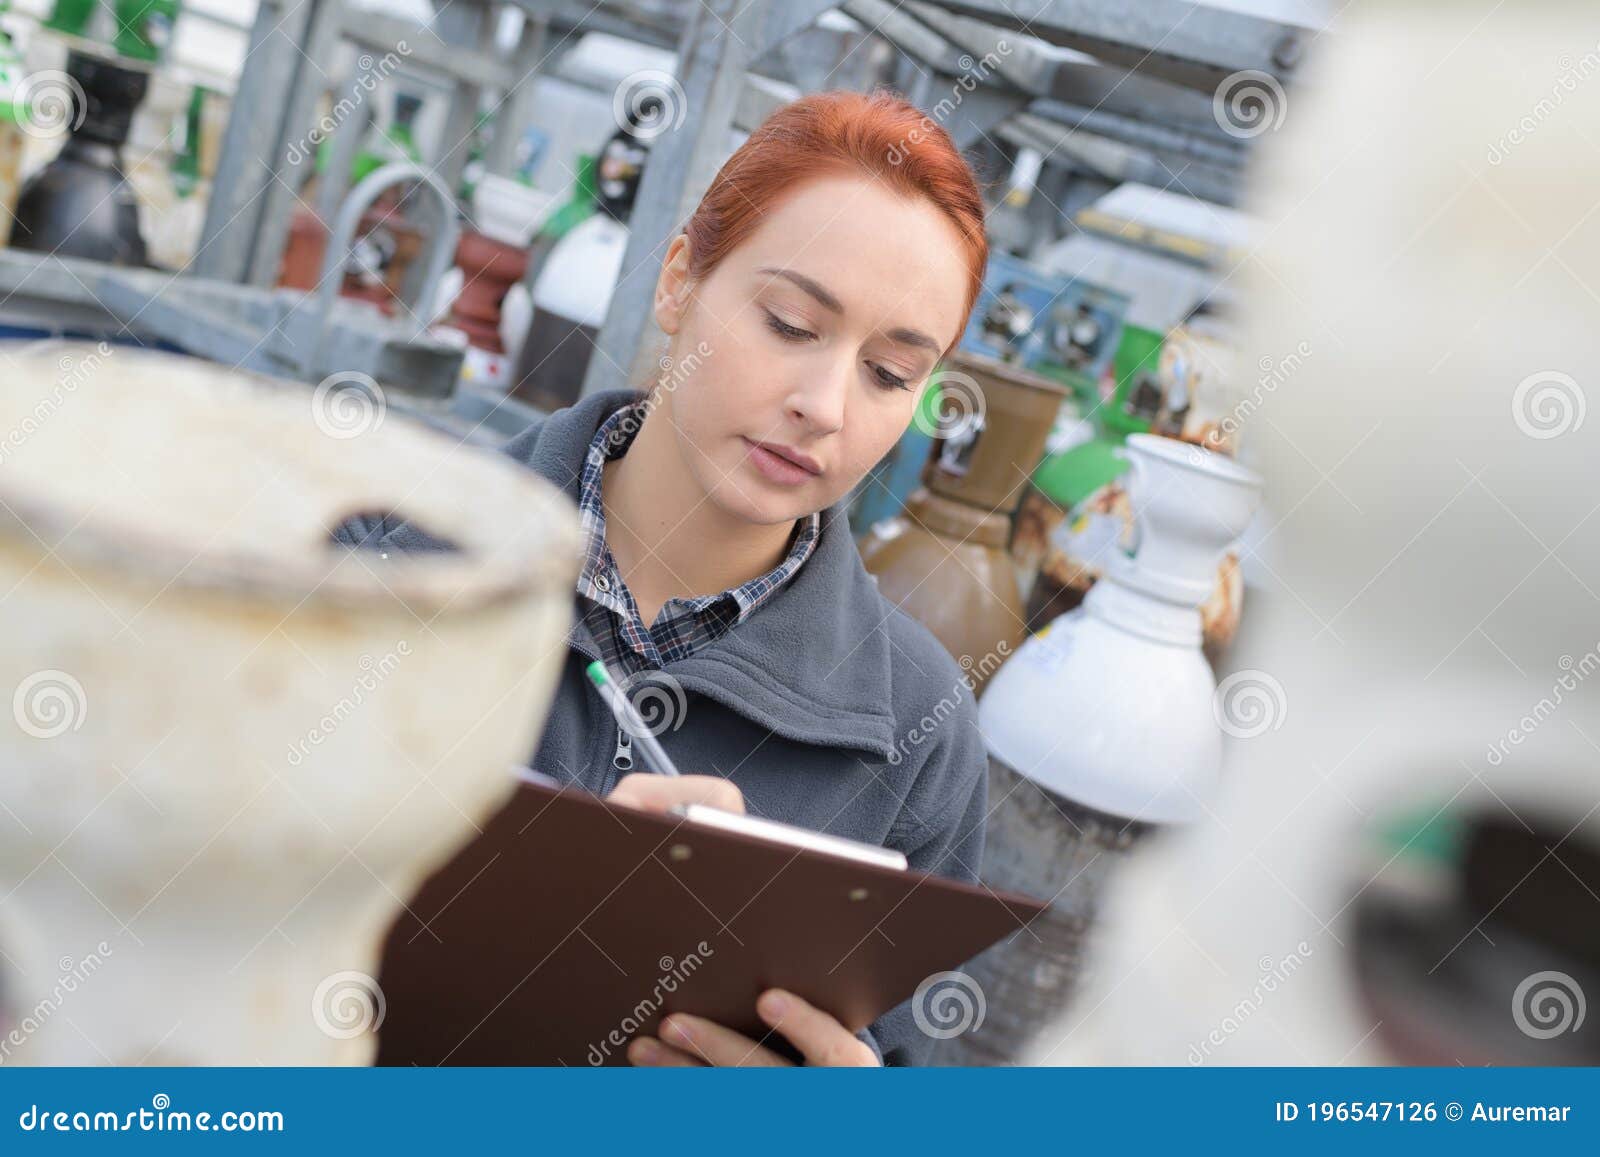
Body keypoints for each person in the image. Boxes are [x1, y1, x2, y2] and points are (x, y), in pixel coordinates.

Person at [335, 89, 993, 1066]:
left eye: (889, 375)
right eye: (788, 322)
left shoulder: (918, 735)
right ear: (679, 278)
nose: (822, 404)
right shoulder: (386, 551)